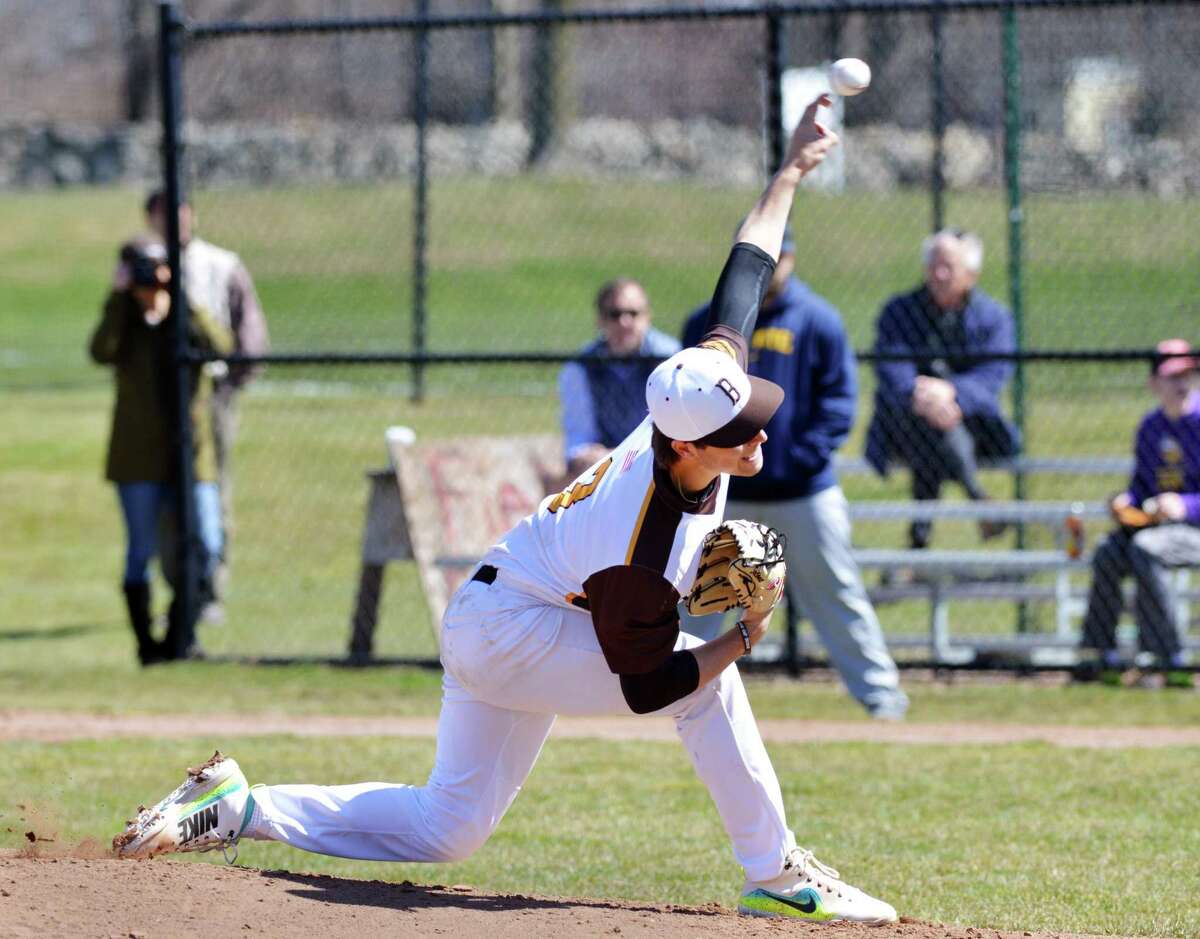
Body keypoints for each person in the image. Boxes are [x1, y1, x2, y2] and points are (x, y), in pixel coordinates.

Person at [114, 96, 898, 925]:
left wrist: (791, 169)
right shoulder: (642, 544)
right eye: (741, 433)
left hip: (504, 604)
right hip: (517, 628)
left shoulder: (696, 389)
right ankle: (776, 869)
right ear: (688, 446)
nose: (759, 437)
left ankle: (242, 805)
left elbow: (744, 269)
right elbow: (648, 685)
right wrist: (743, 637)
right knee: (706, 685)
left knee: (449, 825)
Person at [681, 228, 908, 720]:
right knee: (697, 592)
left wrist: (795, 458)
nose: (771, 267)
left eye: (778, 256)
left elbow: (839, 404)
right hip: (725, 488)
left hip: (804, 490)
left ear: (791, 258)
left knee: (835, 590)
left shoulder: (818, 320)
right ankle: (670, 685)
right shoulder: (708, 324)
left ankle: (880, 694)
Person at [89, 239, 234, 664]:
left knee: (207, 543)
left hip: (192, 456)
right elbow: (101, 351)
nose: (150, 280)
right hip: (137, 459)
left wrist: (184, 297)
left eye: (157, 270)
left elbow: (221, 346)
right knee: (141, 552)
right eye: (142, 271)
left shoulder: (185, 320)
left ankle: (178, 633)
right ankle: (146, 646)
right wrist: (119, 299)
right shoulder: (127, 323)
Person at [145, 190, 269, 615]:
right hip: (158, 399)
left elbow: (249, 335)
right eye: (163, 214)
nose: (173, 221)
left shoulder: (220, 264)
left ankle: (210, 587)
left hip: (211, 394)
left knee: (212, 490)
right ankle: (179, 588)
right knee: (164, 494)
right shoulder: (143, 261)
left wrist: (229, 384)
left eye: (179, 212)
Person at [864, 229, 1020, 550]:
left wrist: (951, 393)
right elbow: (891, 367)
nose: (938, 273)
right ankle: (978, 500)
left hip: (977, 431)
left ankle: (918, 543)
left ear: (972, 274)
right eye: (933, 264)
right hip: (904, 426)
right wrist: (920, 396)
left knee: (937, 425)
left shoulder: (993, 317)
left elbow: (993, 375)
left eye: (948, 266)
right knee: (930, 423)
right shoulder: (900, 311)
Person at [1075, 339, 1200, 688]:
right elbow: (1141, 488)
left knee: (1146, 548)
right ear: (1154, 384)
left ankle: (1171, 659)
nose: (1182, 383)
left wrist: (1186, 505)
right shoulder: (1151, 427)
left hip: (1193, 529)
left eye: (1188, 374)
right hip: (1156, 527)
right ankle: (1102, 656)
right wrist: (1124, 501)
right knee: (1107, 553)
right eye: (1173, 376)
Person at [558, 278, 680, 476]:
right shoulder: (580, 368)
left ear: (647, 316)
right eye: (614, 314)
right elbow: (578, 438)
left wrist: (621, 456)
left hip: (657, 465)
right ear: (600, 319)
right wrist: (585, 455)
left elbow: (678, 434)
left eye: (633, 313)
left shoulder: (670, 360)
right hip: (605, 471)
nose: (624, 322)